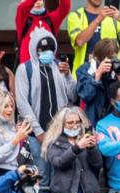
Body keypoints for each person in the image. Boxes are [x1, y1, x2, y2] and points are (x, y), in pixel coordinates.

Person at [15, 30, 76, 178]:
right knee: (40, 177)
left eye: (50, 48)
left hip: (60, 134)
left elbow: (73, 96)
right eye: (42, 49)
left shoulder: (59, 67)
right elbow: (22, 103)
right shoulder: (25, 69)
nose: (47, 52)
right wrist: (38, 132)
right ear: (34, 49)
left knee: (59, 176)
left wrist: (68, 76)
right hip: (36, 135)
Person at [76, 38, 120, 126]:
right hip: (93, 121)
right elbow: (86, 95)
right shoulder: (85, 70)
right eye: (108, 59)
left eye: (114, 58)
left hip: (117, 122)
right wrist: (97, 77)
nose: (110, 62)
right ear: (97, 58)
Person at [67, 0, 120, 72]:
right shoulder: (76, 16)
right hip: (84, 74)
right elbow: (79, 41)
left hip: (111, 74)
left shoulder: (112, 16)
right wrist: (98, 19)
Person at [15, 0, 70, 64]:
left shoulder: (50, 19)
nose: (38, 2)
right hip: (28, 67)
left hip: (49, 67)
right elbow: (22, 8)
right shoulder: (22, 19)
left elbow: (65, 7)